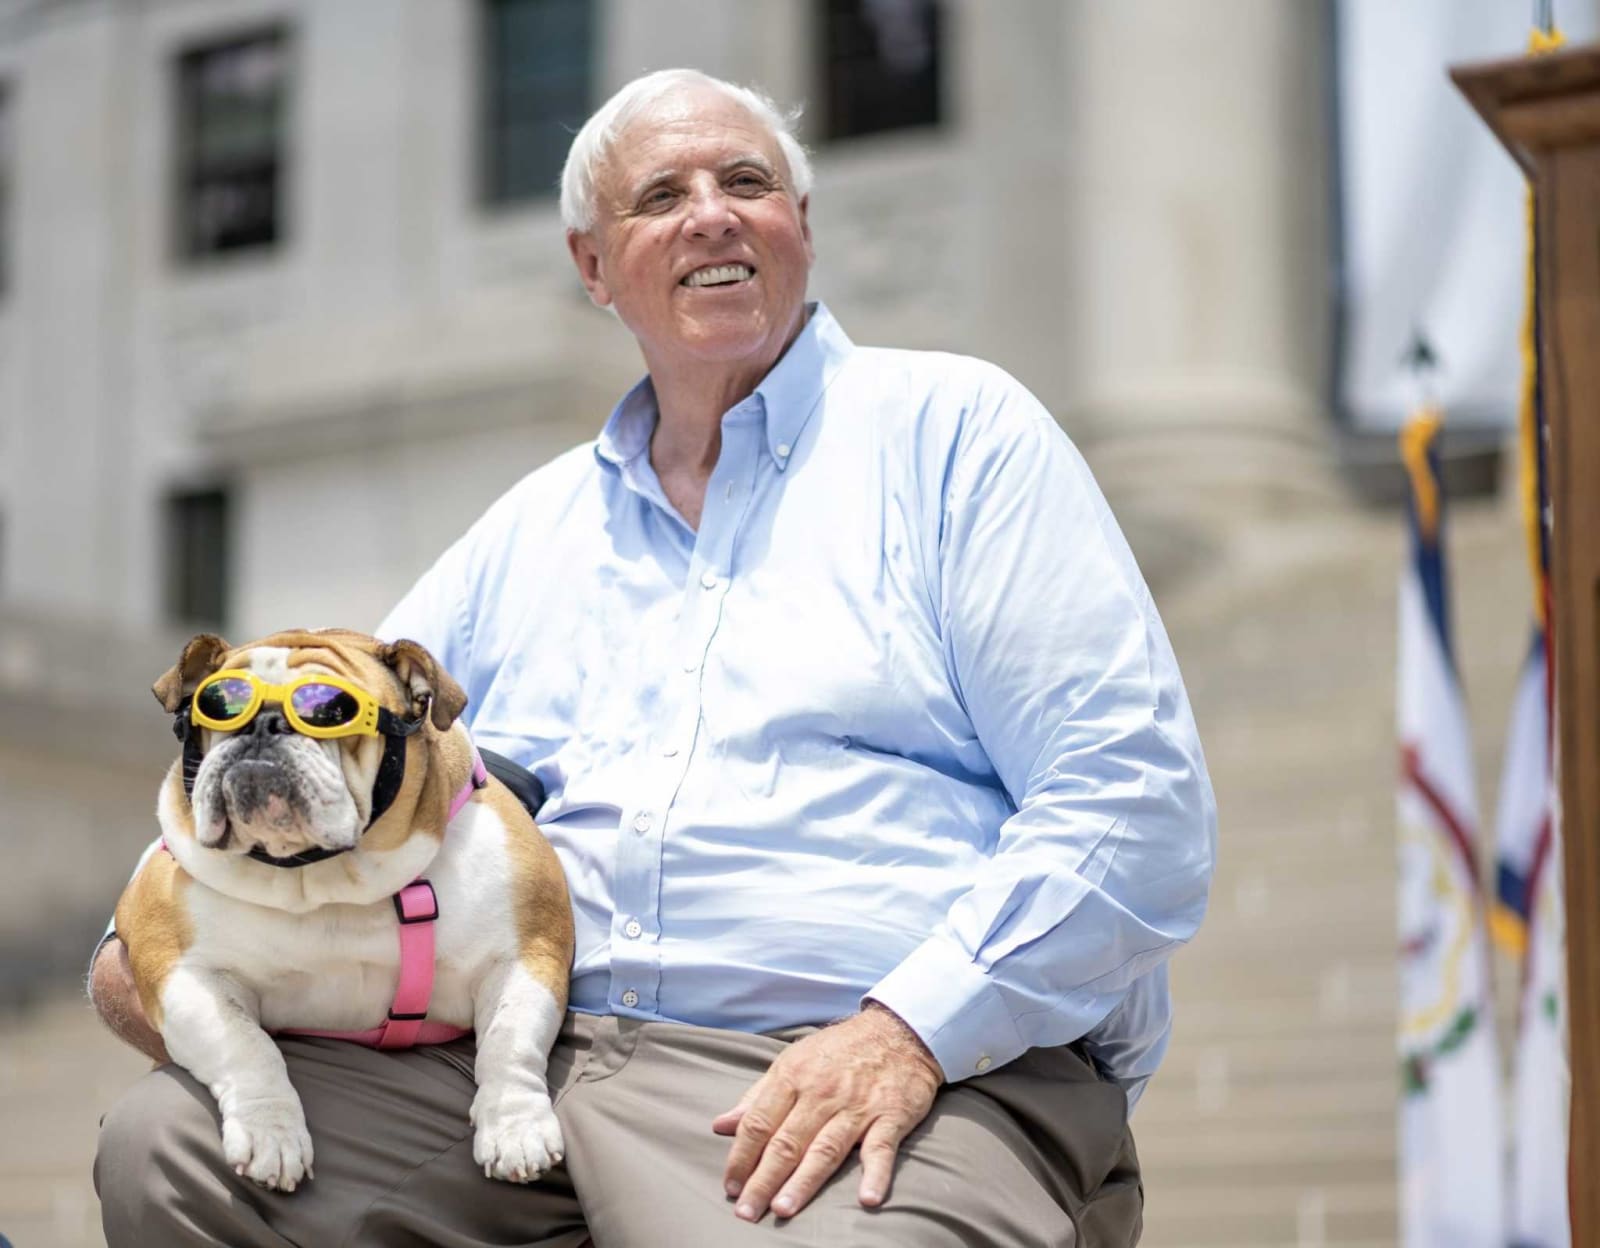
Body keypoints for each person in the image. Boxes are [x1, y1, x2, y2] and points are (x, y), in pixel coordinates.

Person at [91, 68, 1216, 1246]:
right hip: (537, 1056)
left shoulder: (957, 437)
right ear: (592, 267)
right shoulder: (531, 531)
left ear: (803, 230)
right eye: (661, 195)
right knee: (168, 1151)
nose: (712, 215)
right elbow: (340, 725)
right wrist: (156, 930)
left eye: (747, 182)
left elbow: (1130, 801)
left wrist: (908, 1030)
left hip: (880, 1057)